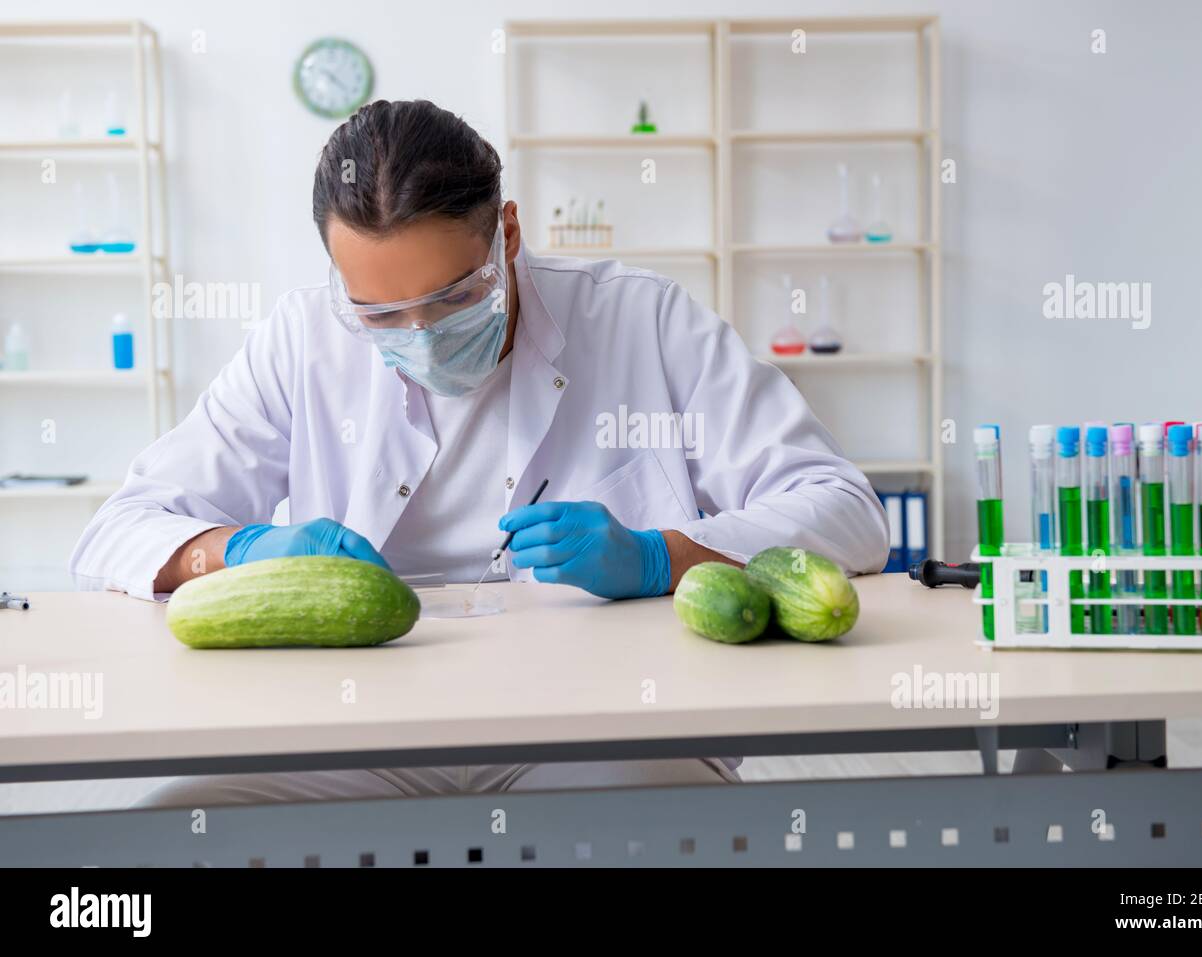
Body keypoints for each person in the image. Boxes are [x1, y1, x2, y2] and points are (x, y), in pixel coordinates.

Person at [70, 100, 888, 805]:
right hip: (357, 732)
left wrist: (656, 555)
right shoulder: (301, 342)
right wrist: (242, 548)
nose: (421, 335)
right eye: (379, 314)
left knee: (678, 824)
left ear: (508, 231)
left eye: (455, 296)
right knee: (167, 830)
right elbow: (121, 529)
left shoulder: (645, 322)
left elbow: (846, 511)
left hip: (600, 724)